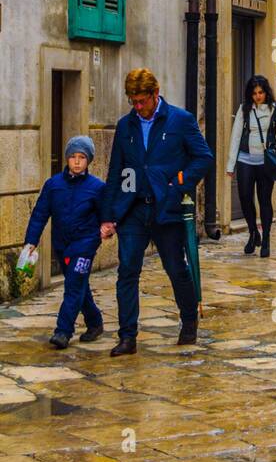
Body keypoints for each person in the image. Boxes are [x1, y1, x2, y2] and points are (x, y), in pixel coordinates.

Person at [103, 69, 214, 355]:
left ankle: (189, 321)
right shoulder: (125, 126)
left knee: (176, 269)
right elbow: (116, 171)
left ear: (155, 94)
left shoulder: (180, 120)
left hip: (168, 208)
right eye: (133, 101)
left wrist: (179, 183)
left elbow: (203, 157)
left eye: (141, 101)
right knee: (127, 271)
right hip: (133, 210)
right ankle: (127, 336)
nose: (137, 107)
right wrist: (108, 214)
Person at [24, 136, 106, 350]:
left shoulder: (97, 187)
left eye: (82, 157)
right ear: (67, 159)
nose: (77, 161)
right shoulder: (53, 185)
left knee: (73, 285)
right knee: (79, 286)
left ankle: (63, 331)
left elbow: (105, 216)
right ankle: (95, 322)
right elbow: (40, 214)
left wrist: (103, 232)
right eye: (73, 157)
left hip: (85, 245)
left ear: (89, 161)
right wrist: (31, 241)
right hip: (61, 245)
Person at [227, 75, 276, 258]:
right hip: (245, 159)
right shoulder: (244, 109)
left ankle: (265, 239)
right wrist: (230, 165)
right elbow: (235, 136)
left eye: (261, 92)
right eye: (254, 93)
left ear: (266, 93)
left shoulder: (275, 109)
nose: (258, 96)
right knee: (244, 197)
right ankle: (252, 232)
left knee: (264, 200)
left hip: (266, 161)